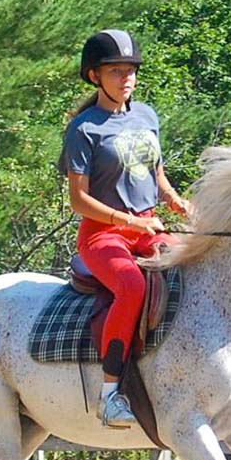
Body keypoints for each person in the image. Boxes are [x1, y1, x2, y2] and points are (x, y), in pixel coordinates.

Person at [60, 29, 193, 427]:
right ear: (94, 76)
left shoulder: (146, 116)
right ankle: (110, 393)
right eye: (116, 70)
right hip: (102, 236)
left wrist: (175, 201)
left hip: (147, 228)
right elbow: (78, 201)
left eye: (131, 70)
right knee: (132, 286)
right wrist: (129, 220)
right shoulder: (84, 129)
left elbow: (155, 173)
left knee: (191, 267)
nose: (127, 78)